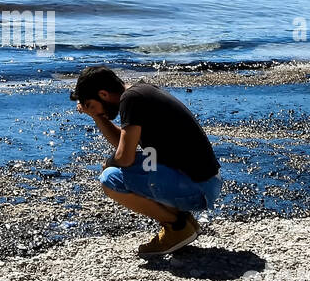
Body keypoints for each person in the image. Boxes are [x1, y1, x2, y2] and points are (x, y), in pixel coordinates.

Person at [71, 66, 221, 256]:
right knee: (120, 167)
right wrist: (97, 115)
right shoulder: (139, 93)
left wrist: (110, 163)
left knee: (109, 179)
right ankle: (183, 220)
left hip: (199, 187)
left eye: (90, 104)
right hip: (202, 181)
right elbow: (122, 144)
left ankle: (177, 227)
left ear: (103, 94)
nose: (91, 109)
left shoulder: (131, 100)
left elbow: (124, 158)